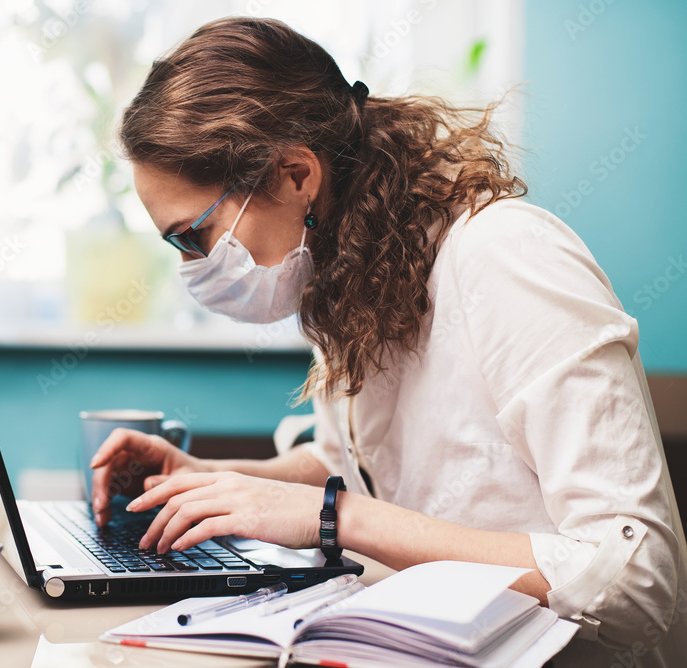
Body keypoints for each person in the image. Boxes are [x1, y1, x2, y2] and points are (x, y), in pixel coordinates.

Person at [89, 17, 686, 665]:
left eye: (191, 236)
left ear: (295, 174)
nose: (192, 266)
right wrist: (215, 479)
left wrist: (334, 518)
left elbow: (636, 580)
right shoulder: (354, 268)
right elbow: (363, 462)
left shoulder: (507, 258)